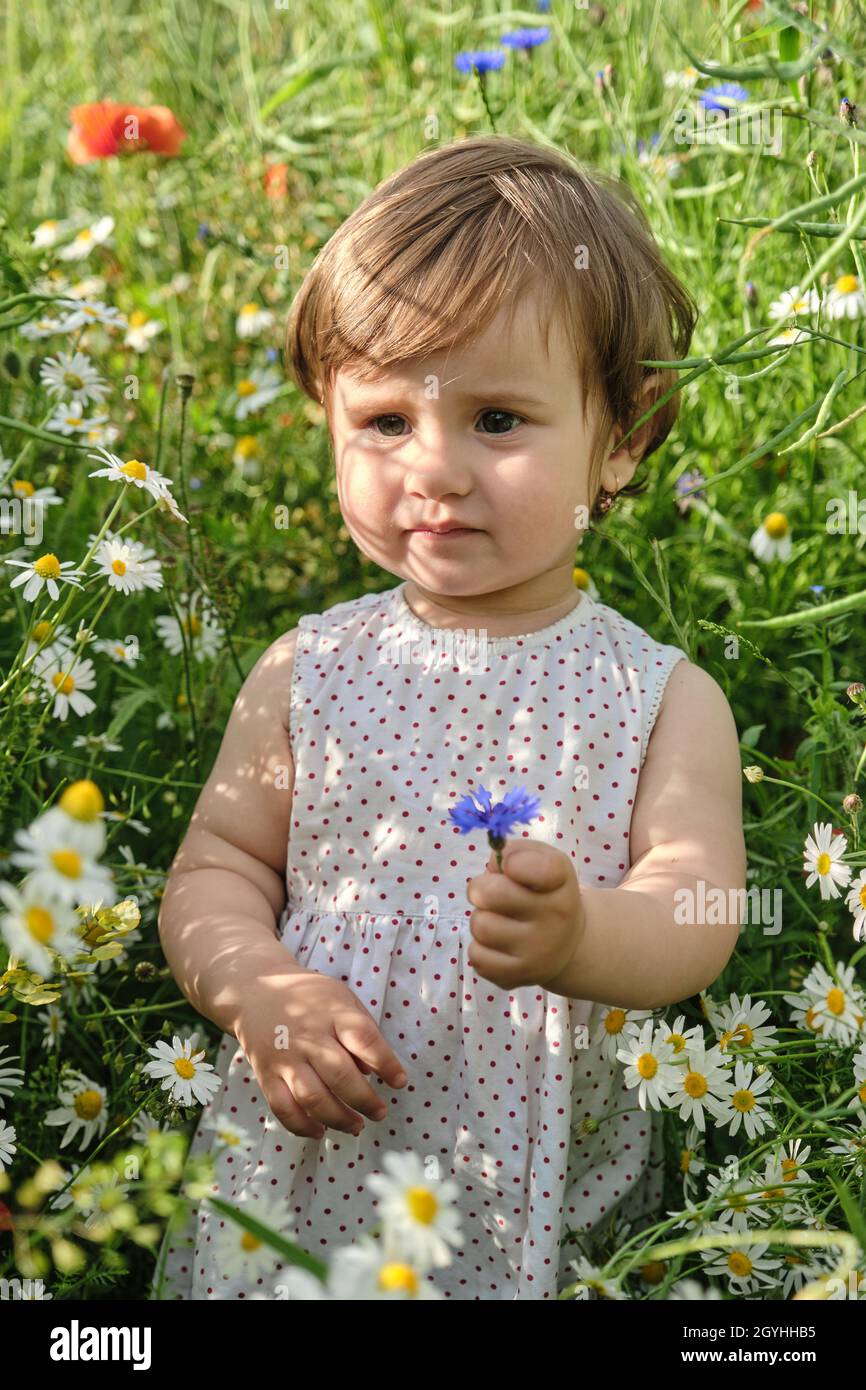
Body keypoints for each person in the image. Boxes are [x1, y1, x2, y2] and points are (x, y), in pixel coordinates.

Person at [152, 134, 746, 1300]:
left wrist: (585, 938)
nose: (432, 468)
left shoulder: (660, 694)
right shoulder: (305, 669)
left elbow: (700, 902)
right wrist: (259, 991)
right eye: (383, 421)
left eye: (495, 421)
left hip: (531, 1188)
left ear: (620, 440)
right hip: (309, 1172)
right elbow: (216, 868)